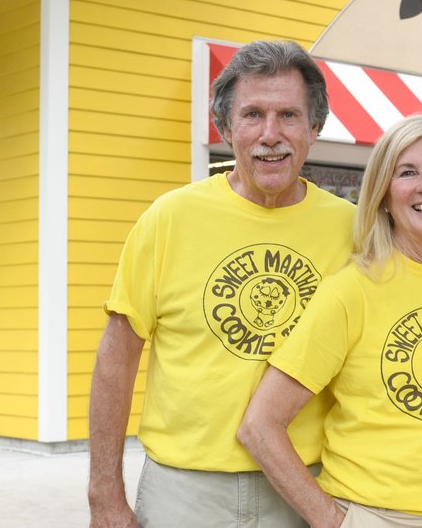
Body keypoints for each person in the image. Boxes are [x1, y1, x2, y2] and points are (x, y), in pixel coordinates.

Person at [87, 40, 355, 527]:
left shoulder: (354, 231)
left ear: (314, 128)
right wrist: (104, 493)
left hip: (304, 485)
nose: (270, 134)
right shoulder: (169, 218)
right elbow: (117, 356)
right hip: (183, 491)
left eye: (289, 116)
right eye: (252, 114)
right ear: (225, 126)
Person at [238, 115, 422, 527]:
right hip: (370, 513)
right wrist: (332, 521)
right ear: (383, 196)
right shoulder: (352, 290)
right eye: (406, 173)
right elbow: (259, 426)